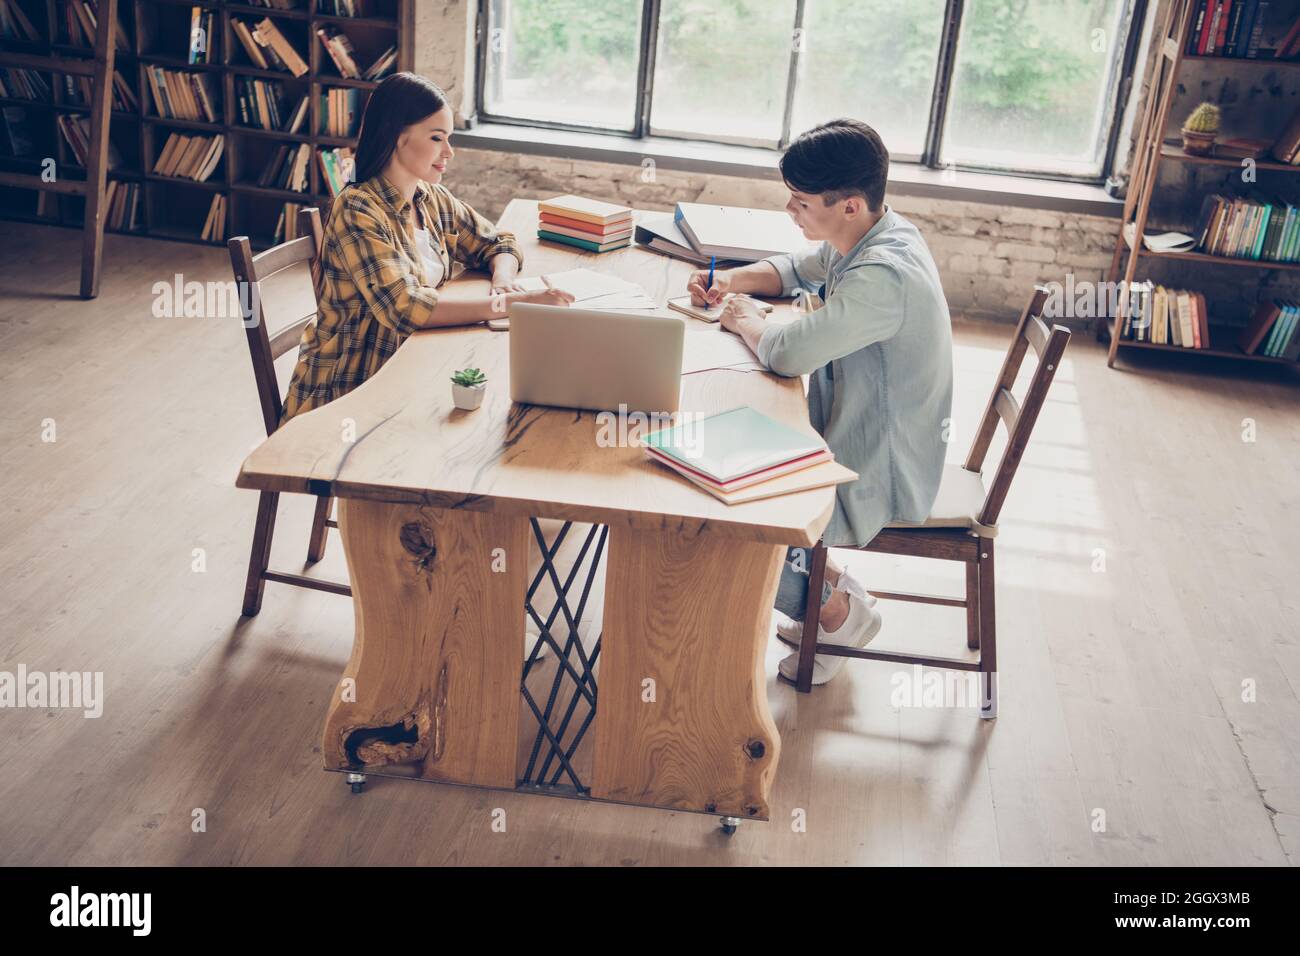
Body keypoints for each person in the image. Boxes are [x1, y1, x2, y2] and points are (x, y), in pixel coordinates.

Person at [686, 118, 953, 686]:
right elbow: (792, 271)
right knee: (718, 451)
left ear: (850, 205)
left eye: (801, 201)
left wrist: (745, 320)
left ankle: (836, 614)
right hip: (857, 428)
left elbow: (786, 353)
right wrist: (730, 282)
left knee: (730, 497)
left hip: (882, 462)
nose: (789, 209)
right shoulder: (878, 232)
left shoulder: (884, 275)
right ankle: (828, 588)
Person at [280, 73, 572, 423]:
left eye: (448, 139)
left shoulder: (429, 197)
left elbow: (498, 242)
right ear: (398, 138)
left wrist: (503, 281)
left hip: (409, 367)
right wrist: (514, 304)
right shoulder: (358, 209)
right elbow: (405, 308)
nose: (449, 152)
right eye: (437, 139)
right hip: (347, 393)